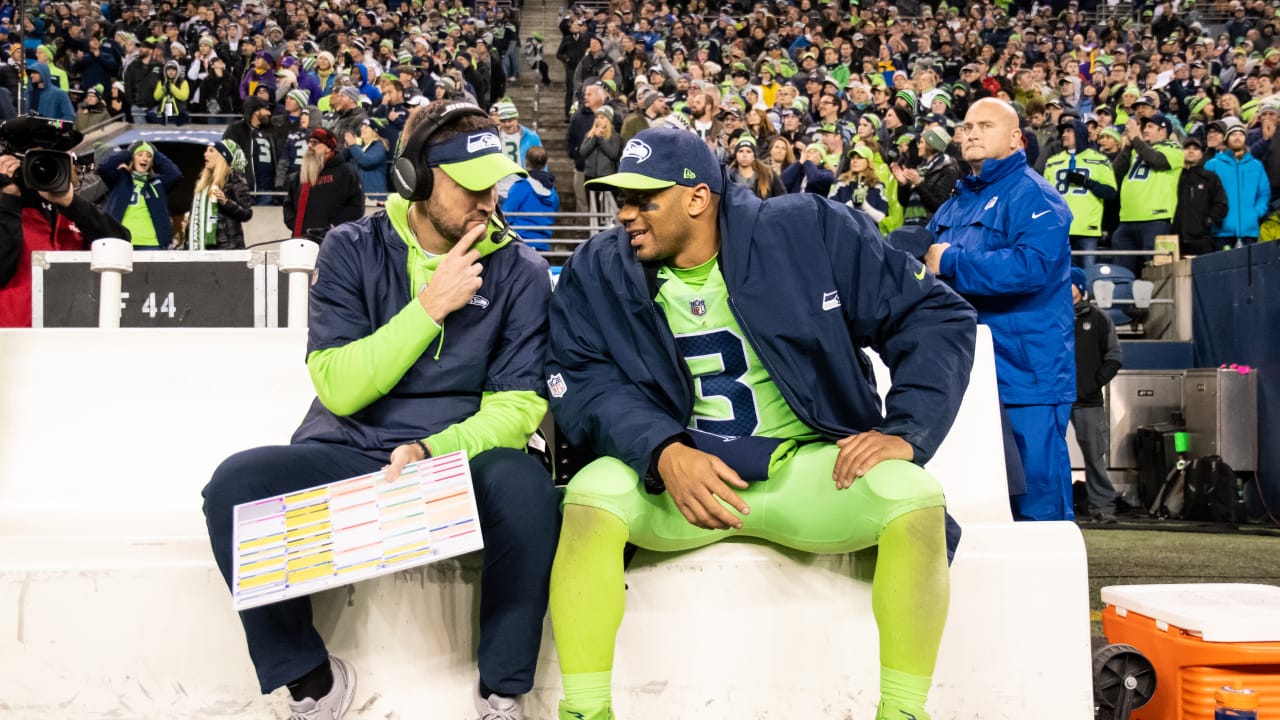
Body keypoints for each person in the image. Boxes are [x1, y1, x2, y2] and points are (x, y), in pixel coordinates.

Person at [546, 126, 976, 720]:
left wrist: (907, 430)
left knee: (916, 502)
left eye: (644, 200)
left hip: (805, 466)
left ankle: (902, 712)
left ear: (697, 198)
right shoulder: (598, 267)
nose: (625, 215)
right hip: (679, 480)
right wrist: (663, 449)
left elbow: (932, 314)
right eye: (621, 199)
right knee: (590, 501)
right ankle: (586, 713)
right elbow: (577, 376)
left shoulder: (806, 229)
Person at [202, 100, 560, 720]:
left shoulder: (521, 269)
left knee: (528, 487)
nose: (488, 202)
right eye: (469, 187)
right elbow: (337, 385)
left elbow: (518, 406)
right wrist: (429, 308)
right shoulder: (348, 247)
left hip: (455, 459)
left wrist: (433, 451)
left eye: (494, 185)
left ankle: (502, 688)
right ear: (415, 179)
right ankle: (312, 683)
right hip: (349, 446)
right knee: (234, 488)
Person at [925, 98, 1076, 522]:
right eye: (967, 126)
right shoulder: (953, 202)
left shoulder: (1036, 195)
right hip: (968, 370)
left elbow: (1032, 268)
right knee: (978, 501)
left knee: (1038, 500)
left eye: (985, 125)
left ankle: (1051, 589)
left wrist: (951, 262)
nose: (971, 132)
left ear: (1016, 139)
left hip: (1027, 373)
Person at [0, 118, 131, 327]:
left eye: (51, 159)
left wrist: (71, 204)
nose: (42, 168)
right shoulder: (7, 208)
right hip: (13, 342)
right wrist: (8, 199)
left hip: (67, 338)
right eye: (34, 160)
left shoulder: (70, 212)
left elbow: (120, 245)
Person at [1068, 267, 1122, 523]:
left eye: (1071, 283)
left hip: (1087, 401)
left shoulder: (1099, 318)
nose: (1067, 288)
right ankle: (1057, 508)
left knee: (1094, 456)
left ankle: (1103, 507)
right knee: (1050, 456)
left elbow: (1113, 357)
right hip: (1054, 398)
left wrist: (1093, 384)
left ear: (1081, 287)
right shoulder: (1050, 315)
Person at [1042, 117, 1118, 268]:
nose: (1064, 134)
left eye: (1069, 131)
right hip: (1059, 229)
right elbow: (1044, 197)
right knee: (1059, 275)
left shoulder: (1099, 160)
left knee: (1087, 275)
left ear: (1080, 133)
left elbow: (1110, 193)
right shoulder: (1052, 162)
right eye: (1063, 131)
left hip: (1087, 229)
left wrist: (1086, 182)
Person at [1111, 114, 1183, 273]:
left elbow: (1157, 161)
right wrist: (1129, 146)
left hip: (1155, 218)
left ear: (1163, 131)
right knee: (1121, 271)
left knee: (1155, 271)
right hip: (1127, 219)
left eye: (1150, 126)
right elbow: (1114, 173)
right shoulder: (1138, 150)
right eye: (1144, 127)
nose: (1145, 130)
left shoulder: (1173, 147)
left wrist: (1136, 140)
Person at [282, 127, 365, 242]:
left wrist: (333, 227)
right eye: (309, 142)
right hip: (301, 242)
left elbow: (356, 207)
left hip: (334, 242)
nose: (310, 146)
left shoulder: (346, 173)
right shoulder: (301, 175)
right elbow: (288, 204)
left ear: (328, 148)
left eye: (315, 143)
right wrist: (295, 224)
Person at [100, 142, 182, 250]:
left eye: (148, 156)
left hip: (152, 243)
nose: (145, 158)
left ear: (152, 162)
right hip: (120, 240)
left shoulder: (157, 183)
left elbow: (175, 174)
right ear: (132, 159)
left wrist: (156, 154)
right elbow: (104, 167)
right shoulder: (120, 178)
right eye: (140, 155)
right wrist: (128, 152)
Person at [1205, 118, 1270, 248]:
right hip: (1221, 231)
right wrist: (1214, 216)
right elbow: (1206, 195)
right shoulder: (1212, 165)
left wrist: (1255, 212)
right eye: (1233, 134)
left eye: (1241, 134)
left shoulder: (1256, 165)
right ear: (1226, 139)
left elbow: (1264, 193)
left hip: (1249, 231)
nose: (1237, 137)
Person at [187, 139, 253, 250]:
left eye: (211, 151)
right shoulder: (202, 183)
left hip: (228, 246)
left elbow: (247, 213)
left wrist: (226, 202)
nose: (205, 154)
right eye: (206, 151)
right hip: (203, 246)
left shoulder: (235, 180)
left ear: (222, 157)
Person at [1173, 136, 1229, 256]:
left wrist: (1207, 221)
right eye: (1187, 148)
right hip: (1175, 239)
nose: (1191, 151)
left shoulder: (1210, 178)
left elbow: (1221, 204)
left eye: (1195, 148)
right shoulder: (1173, 177)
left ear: (1201, 154)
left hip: (1202, 239)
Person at [502, 145, 559, 252]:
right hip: (543, 244)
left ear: (526, 162)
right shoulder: (552, 191)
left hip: (520, 243)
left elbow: (506, 214)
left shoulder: (521, 186)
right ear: (545, 164)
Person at [223, 96, 279, 203]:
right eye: (265, 109)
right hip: (244, 191)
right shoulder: (236, 129)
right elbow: (225, 156)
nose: (269, 113)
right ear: (255, 111)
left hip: (267, 191)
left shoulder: (271, 130)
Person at [831, 145, 891, 225]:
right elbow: (831, 211)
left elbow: (881, 217)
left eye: (859, 158)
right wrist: (851, 204)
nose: (854, 161)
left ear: (868, 162)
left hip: (869, 233)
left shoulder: (877, 186)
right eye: (853, 158)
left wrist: (864, 205)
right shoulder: (841, 184)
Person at [578, 108, 621, 219]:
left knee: (607, 208)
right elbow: (582, 152)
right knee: (593, 207)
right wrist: (594, 139)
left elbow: (613, 154)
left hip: (607, 177)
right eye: (597, 117)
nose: (598, 120)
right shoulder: (589, 134)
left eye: (602, 117)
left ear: (608, 120)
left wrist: (601, 139)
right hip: (590, 176)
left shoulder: (615, 136)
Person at [345, 118, 389, 202]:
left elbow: (367, 162)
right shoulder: (358, 148)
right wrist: (348, 148)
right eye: (362, 127)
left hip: (374, 197)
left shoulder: (379, 147)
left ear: (374, 131)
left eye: (367, 127)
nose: (362, 129)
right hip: (359, 196)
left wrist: (353, 146)